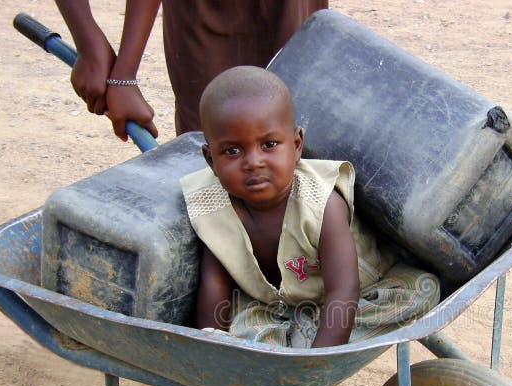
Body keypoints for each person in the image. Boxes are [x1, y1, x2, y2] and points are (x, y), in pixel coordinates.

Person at [181, 66, 439, 348]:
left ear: (296, 145)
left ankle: (303, 343)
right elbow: (214, 286)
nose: (253, 162)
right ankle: (288, 340)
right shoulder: (213, 208)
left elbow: (343, 290)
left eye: (269, 144)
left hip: (355, 298)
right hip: (273, 306)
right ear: (210, 160)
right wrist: (211, 344)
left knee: (420, 291)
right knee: (242, 325)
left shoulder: (321, 202)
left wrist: (316, 361)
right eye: (232, 151)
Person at [54, 0, 327, 139]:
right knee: (216, 134)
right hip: (208, 12)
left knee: (288, 121)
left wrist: (124, 75)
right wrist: (89, 43)